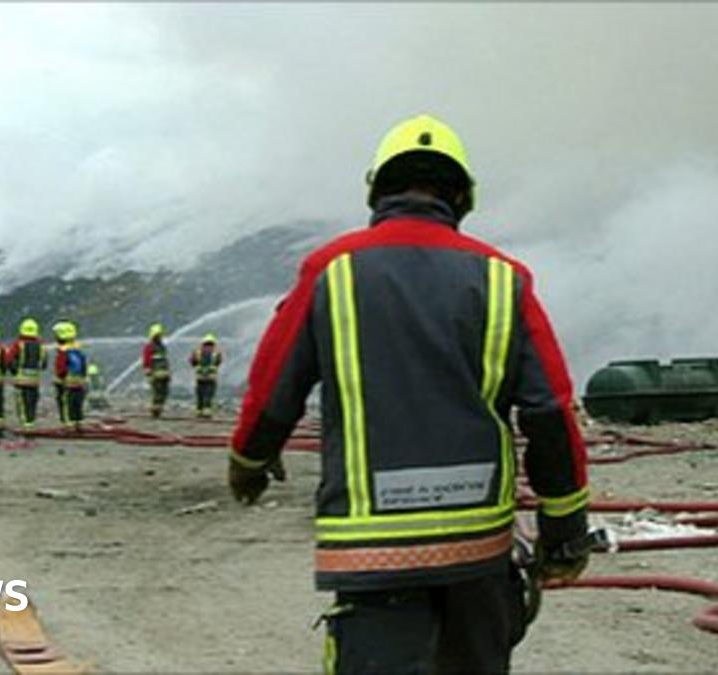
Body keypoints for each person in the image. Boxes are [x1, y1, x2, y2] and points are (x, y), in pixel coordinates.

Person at [227, 114, 591, 675]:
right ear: (463, 196)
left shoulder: (331, 270)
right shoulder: (505, 279)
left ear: (377, 191)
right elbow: (549, 412)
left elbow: (274, 386)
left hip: (371, 550)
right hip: (477, 548)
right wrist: (564, 530)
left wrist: (249, 461)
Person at [5, 318, 47, 430]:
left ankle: (25, 424)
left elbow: (9, 359)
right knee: (32, 402)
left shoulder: (18, 344)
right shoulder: (41, 346)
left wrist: (14, 370)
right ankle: (31, 422)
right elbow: (44, 364)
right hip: (35, 380)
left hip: (21, 379)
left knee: (23, 402)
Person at [52, 321, 89, 430]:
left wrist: (59, 378)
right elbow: (84, 366)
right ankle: (79, 421)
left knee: (66, 403)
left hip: (66, 383)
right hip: (79, 382)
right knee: (77, 403)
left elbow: (61, 368)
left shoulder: (63, 351)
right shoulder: (77, 349)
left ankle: (68, 423)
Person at [188, 333, 224, 418]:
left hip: (200, 377)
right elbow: (218, 362)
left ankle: (199, 411)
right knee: (209, 394)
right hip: (211, 378)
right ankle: (206, 412)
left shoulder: (197, 352)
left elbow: (192, 362)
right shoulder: (216, 353)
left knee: (200, 394)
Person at [142, 323, 171, 418]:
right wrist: (147, 370)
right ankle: (155, 411)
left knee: (164, 392)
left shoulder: (162, 347)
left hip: (164, 374)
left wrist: (168, 372)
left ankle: (158, 409)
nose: (159, 337)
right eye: (157, 335)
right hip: (155, 374)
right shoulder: (149, 347)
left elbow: (165, 360)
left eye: (159, 335)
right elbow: (146, 359)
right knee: (157, 392)